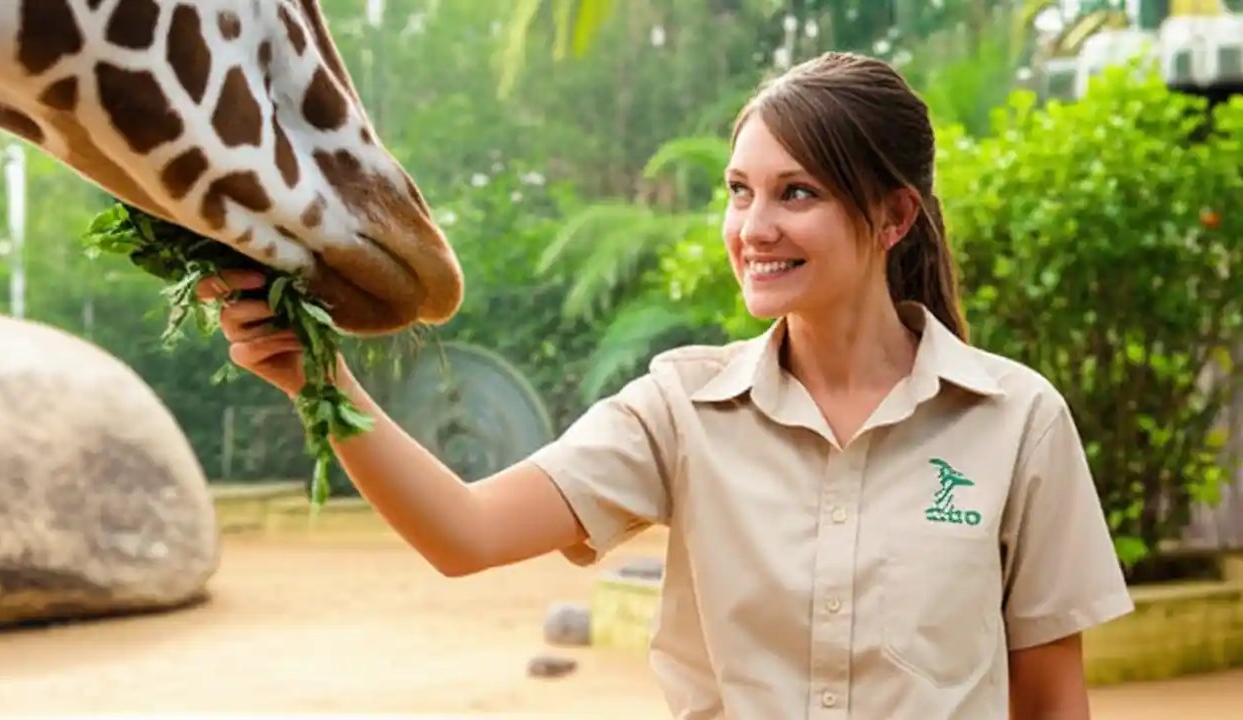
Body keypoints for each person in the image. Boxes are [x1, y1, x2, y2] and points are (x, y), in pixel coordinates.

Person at [197, 51, 1133, 719]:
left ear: (893, 216)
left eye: (795, 193)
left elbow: (1050, 699)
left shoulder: (1017, 422)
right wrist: (313, 376)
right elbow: (466, 534)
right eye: (739, 190)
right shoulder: (679, 410)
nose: (752, 227)